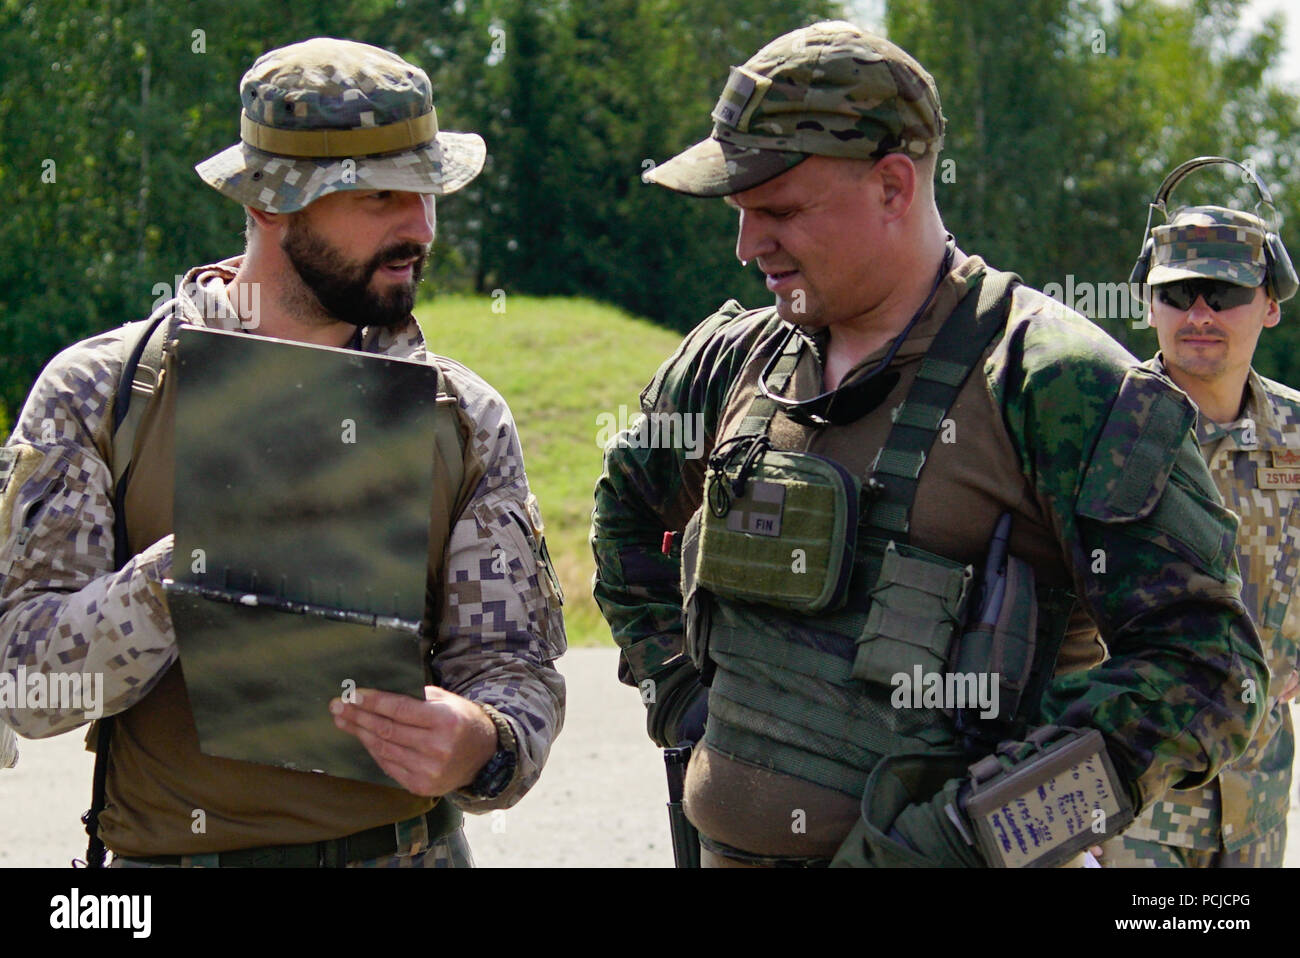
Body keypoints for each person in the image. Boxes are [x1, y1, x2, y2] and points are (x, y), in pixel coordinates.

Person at [591, 20, 1267, 868]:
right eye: (739, 213)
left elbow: (1208, 676)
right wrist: (680, 696)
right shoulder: (735, 360)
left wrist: (974, 839)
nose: (747, 246)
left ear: (893, 186)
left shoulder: (1054, 382)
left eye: (779, 211)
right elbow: (625, 519)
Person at [0, 37, 565, 868]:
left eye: (428, 193)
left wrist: (484, 742)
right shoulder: (104, 394)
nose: (419, 227)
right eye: (378, 196)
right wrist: (183, 574)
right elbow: (29, 688)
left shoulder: (460, 416)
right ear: (269, 203)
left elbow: (513, 670)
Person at [1099, 187, 1300, 867]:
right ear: (1149, 304)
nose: (1201, 313)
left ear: (1271, 304)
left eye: (1224, 293)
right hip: (1131, 804)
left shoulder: (1297, 436)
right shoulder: (1092, 430)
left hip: (1257, 803)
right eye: (1179, 294)